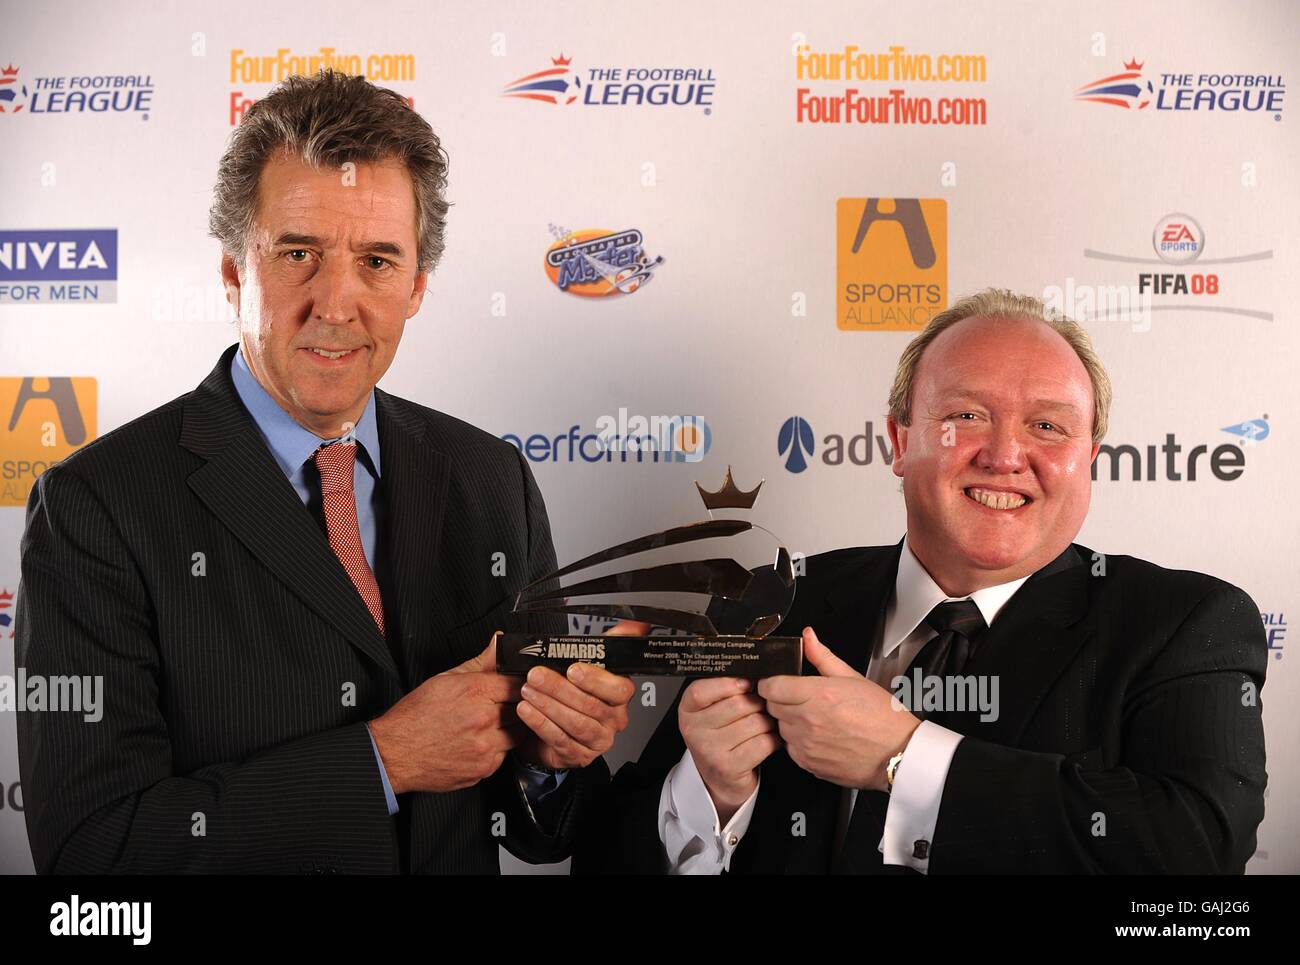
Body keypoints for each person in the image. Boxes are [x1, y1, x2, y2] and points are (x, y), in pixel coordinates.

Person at [15, 69, 635, 874]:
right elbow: (94, 855)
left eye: (377, 261)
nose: (336, 303)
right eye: (298, 253)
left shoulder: (493, 482)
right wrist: (385, 759)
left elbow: (546, 830)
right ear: (235, 272)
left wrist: (552, 763)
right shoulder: (96, 508)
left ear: (416, 288)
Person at [576, 288, 1268, 874]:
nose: (1003, 454)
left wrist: (904, 759)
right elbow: (601, 858)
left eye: (1047, 425)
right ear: (898, 439)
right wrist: (711, 795)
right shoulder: (775, 601)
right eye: (965, 415)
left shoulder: (1183, 622)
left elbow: (1198, 849)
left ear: (1089, 457)